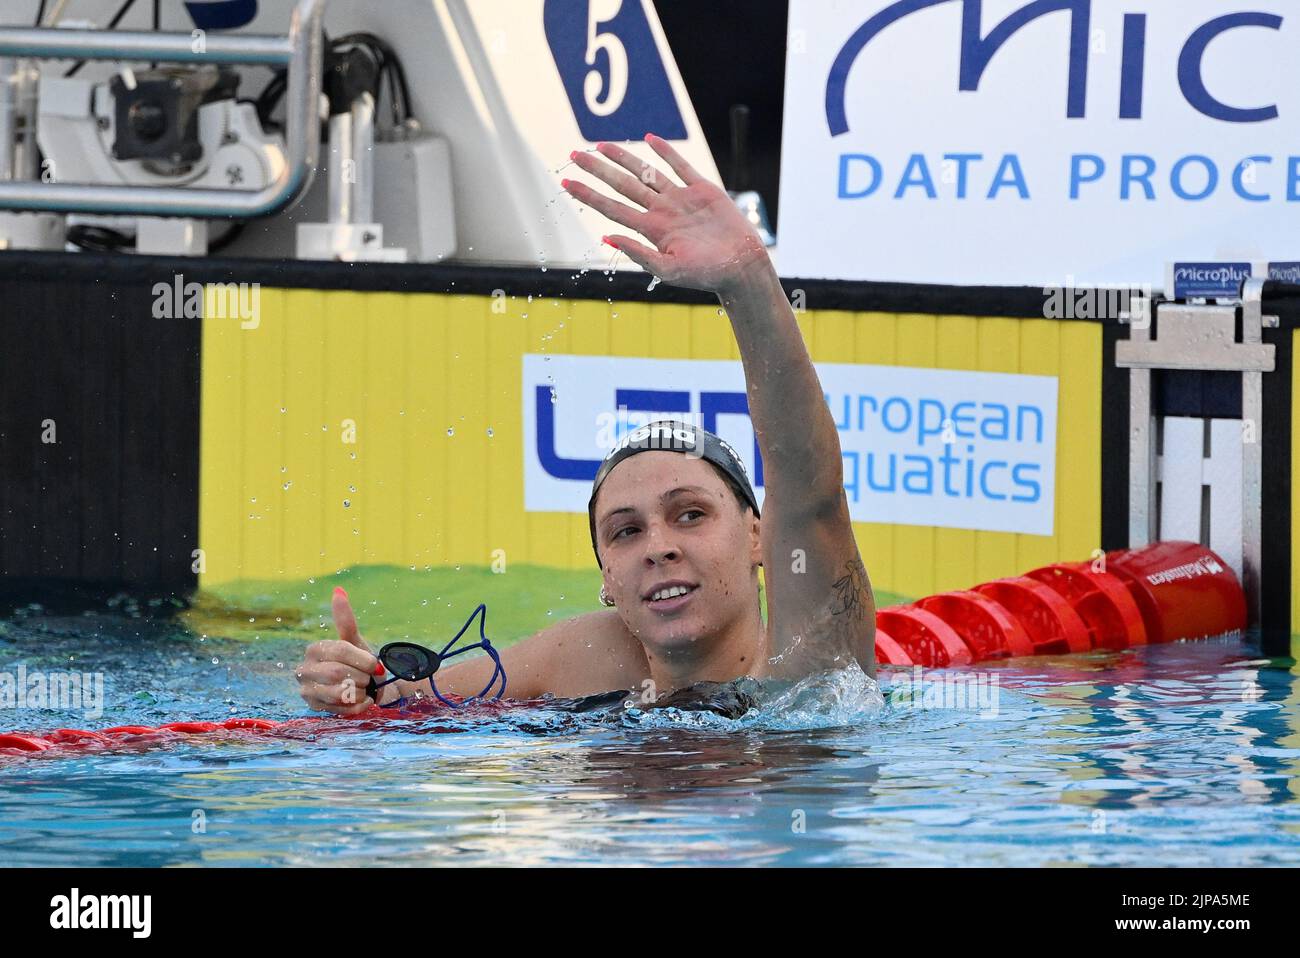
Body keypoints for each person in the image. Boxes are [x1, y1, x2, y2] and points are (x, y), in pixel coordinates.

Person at [296, 133, 875, 716]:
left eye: (691, 514)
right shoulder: (585, 659)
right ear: (605, 582)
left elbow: (809, 486)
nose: (659, 548)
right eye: (625, 532)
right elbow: (398, 700)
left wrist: (747, 282)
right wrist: (357, 681)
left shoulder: (808, 661)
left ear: (757, 535)